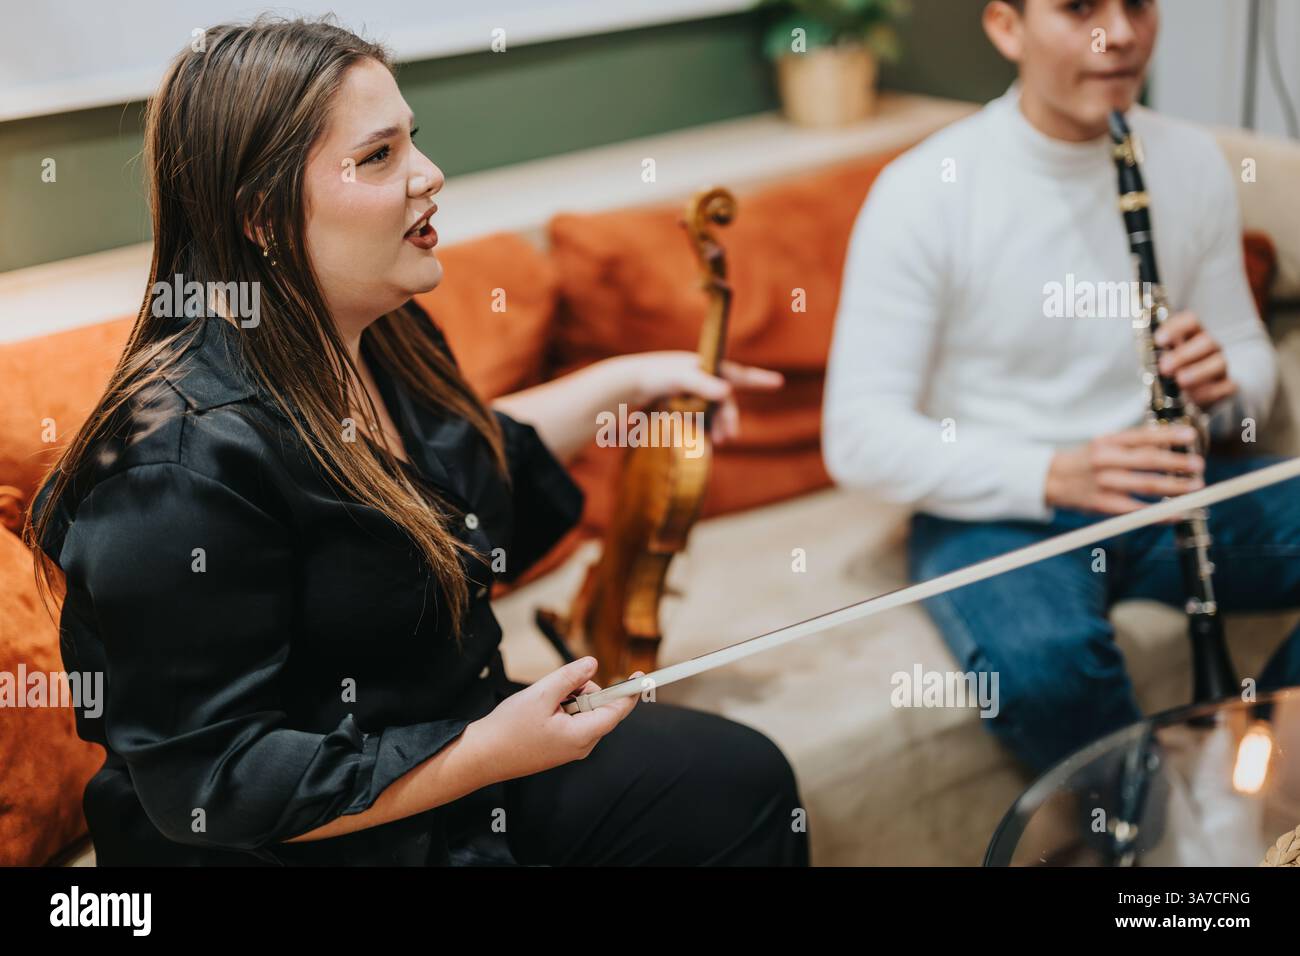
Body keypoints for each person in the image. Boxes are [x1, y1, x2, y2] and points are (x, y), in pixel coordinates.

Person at [27, 15, 808, 866]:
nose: (430, 175)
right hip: (289, 840)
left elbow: (460, 458)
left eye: (413, 142)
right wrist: (482, 753)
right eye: (378, 157)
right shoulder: (174, 463)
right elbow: (214, 782)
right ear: (261, 216)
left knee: (737, 781)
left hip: (445, 746)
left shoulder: (381, 330)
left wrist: (635, 382)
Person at [822, 0, 1300, 773]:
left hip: (1164, 481)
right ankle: (1153, 853)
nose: (1119, 35)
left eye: (1137, 4)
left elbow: (1247, 357)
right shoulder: (923, 191)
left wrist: (1225, 388)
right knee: (1047, 666)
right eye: (1078, 8)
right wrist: (1051, 472)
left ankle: (1263, 778)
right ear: (1005, 26)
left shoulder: (1188, 159)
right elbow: (857, 435)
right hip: (997, 512)